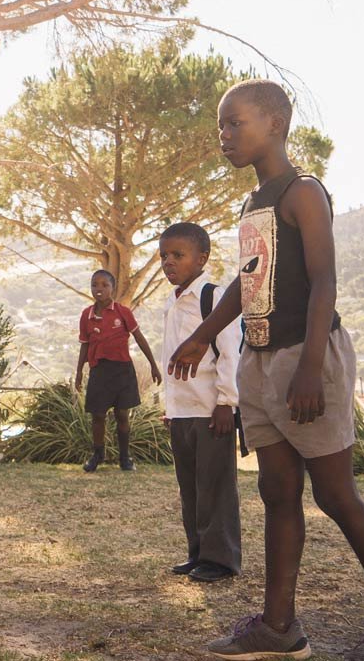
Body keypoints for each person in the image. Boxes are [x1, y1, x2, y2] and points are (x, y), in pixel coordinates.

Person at [169, 80, 364, 661]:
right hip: (259, 361)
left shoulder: (303, 192)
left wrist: (312, 368)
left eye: (235, 123)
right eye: (221, 126)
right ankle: (278, 628)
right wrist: (200, 337)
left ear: (275, 124)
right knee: (277, 490)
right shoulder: (252, 204)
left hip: (305, 358)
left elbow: (324, 282)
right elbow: (248, 284)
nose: (224, 135)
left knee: (337, 496)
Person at [157, 221, 242, 584]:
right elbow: (169, 360)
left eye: (178, 255)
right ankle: (197, 553)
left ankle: (221, 559)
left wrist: (228, 403)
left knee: (215, 487)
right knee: (190, 488)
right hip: (182, 412)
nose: (169, 262)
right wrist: (170, 406)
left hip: (211, 411)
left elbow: (230, 353)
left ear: (202, 258)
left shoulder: (213, 296)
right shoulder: (173, 303)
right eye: (164, 256)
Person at [73, 268, 161, 472]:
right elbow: (84, 344)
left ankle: (124, 458)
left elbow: (139, 338)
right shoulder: (86, 315)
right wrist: (79, 371)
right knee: (97, 415)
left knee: (122, 414)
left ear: (112, 288)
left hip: (122, 370)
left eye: (105, 285)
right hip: (99, 370)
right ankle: (97, 455)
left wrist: (153, 365)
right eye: (95, 284)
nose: (99, 289)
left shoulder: (123, 312)